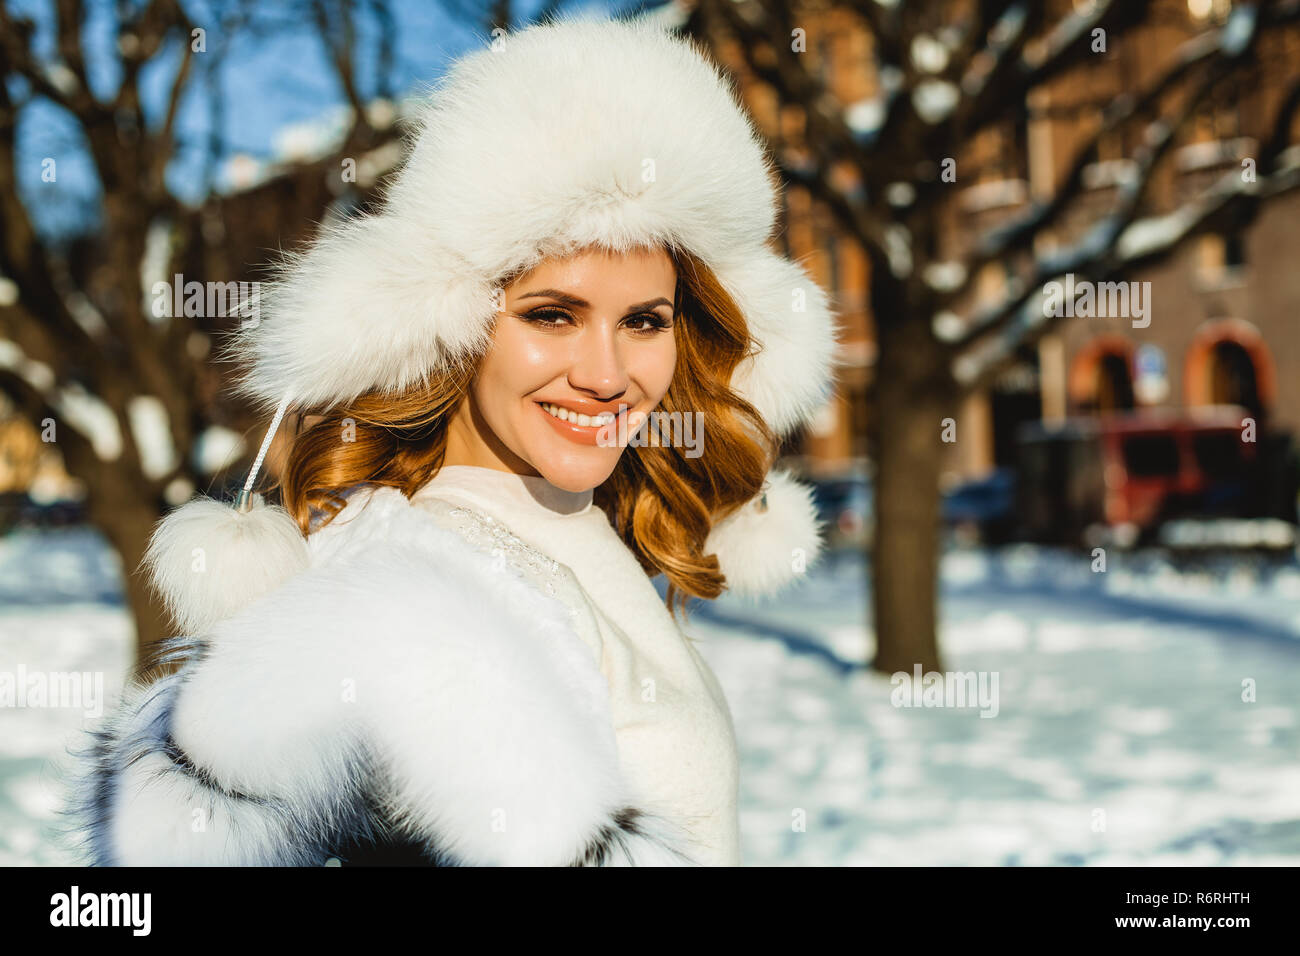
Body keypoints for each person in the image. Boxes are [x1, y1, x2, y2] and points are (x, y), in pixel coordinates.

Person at [56, 11, 838, 867]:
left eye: (644, 321)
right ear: (454, 324)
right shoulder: (433, 587)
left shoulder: (567, 533)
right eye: (552, 315)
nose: (607, 373)